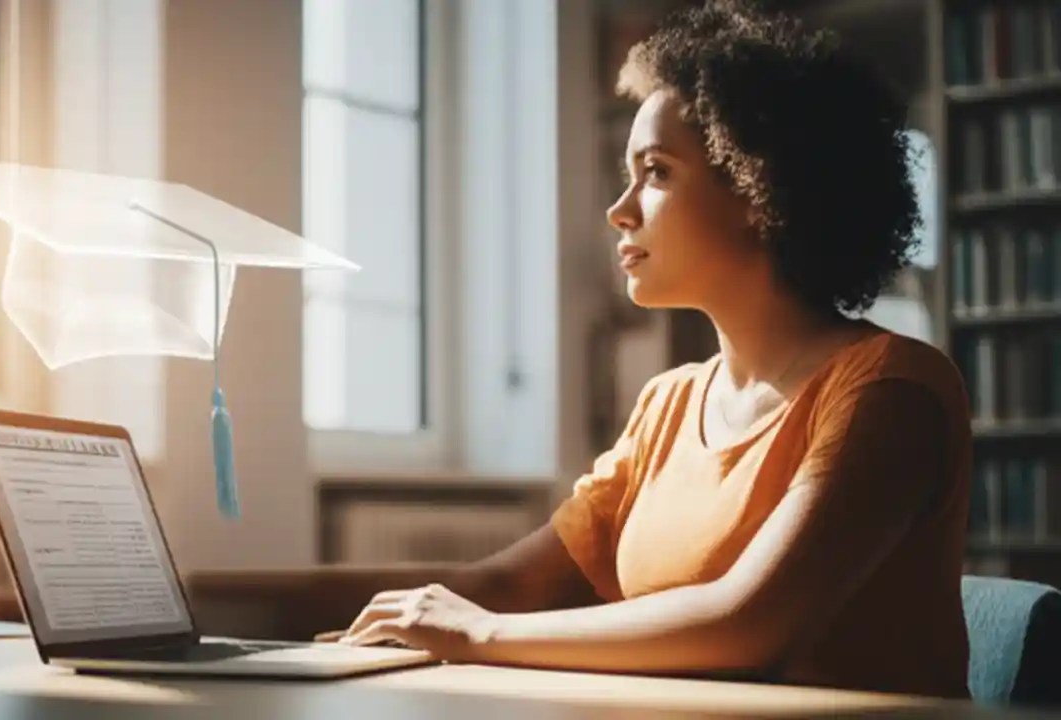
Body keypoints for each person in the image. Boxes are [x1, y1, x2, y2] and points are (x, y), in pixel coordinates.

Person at [335, 0, 971, 699]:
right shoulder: (669, 402)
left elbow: (748, 623)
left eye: (657, 172)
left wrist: (480, 633)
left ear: (759, 188)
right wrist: (253, 597)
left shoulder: (890, 389)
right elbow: (505, 584)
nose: (620, 209)